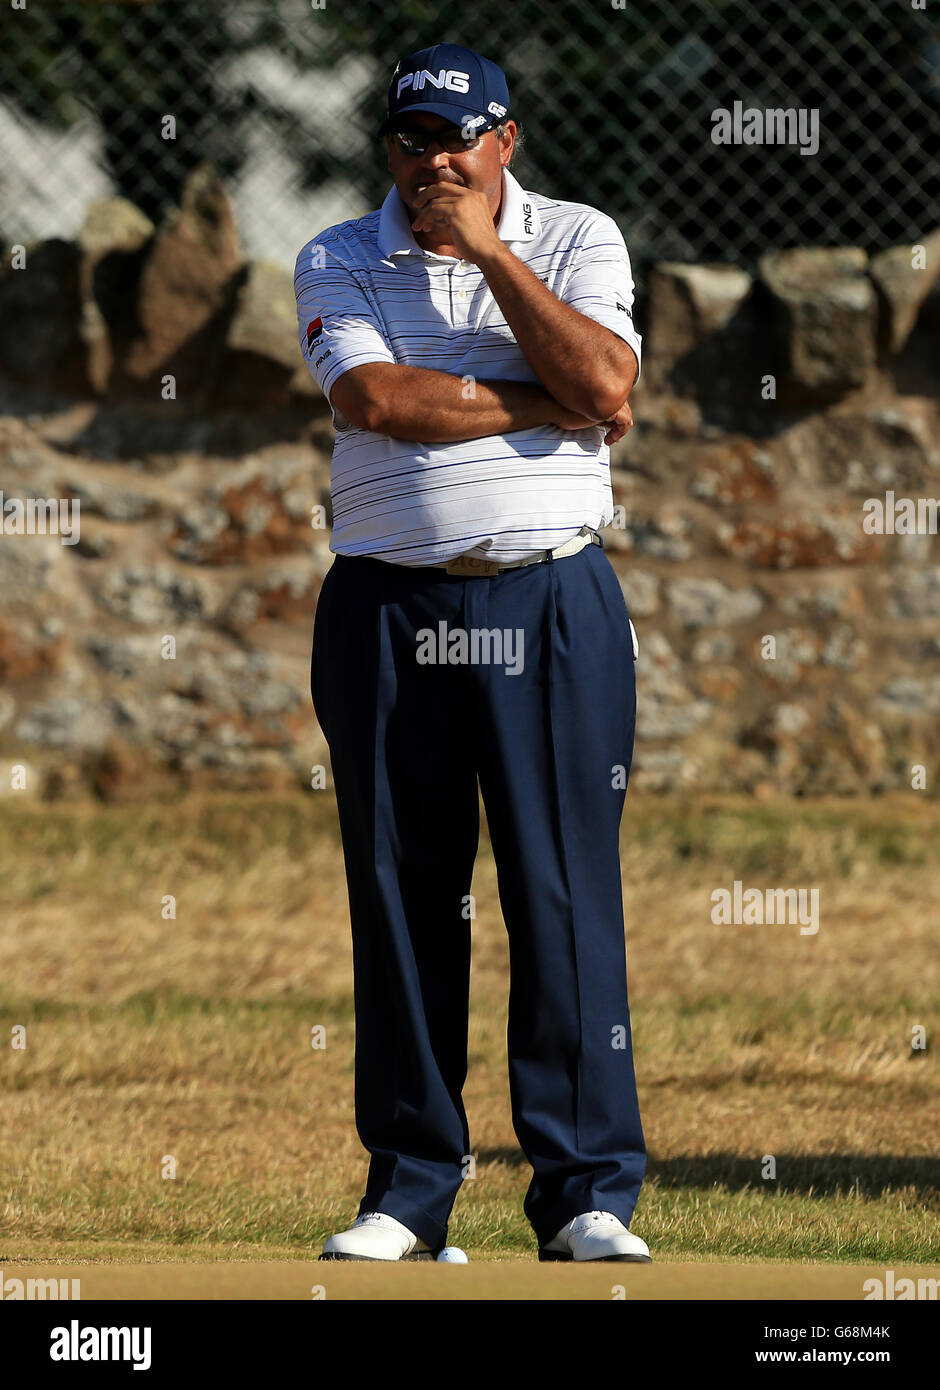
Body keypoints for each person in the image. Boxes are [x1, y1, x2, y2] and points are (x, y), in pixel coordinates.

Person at [294, 42, 650, 1263]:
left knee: (560, 894)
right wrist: (543, 404)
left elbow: (607, 373)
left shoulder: (577, 238)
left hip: (549, 602)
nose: (432, 162)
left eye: (457, 138)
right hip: (388, 614)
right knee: (401, 895)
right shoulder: (336, 253)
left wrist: (493, 253)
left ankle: (585, 1190)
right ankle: (408, 1192)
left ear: (506, 141)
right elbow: (377, 403)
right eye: (409, 140)